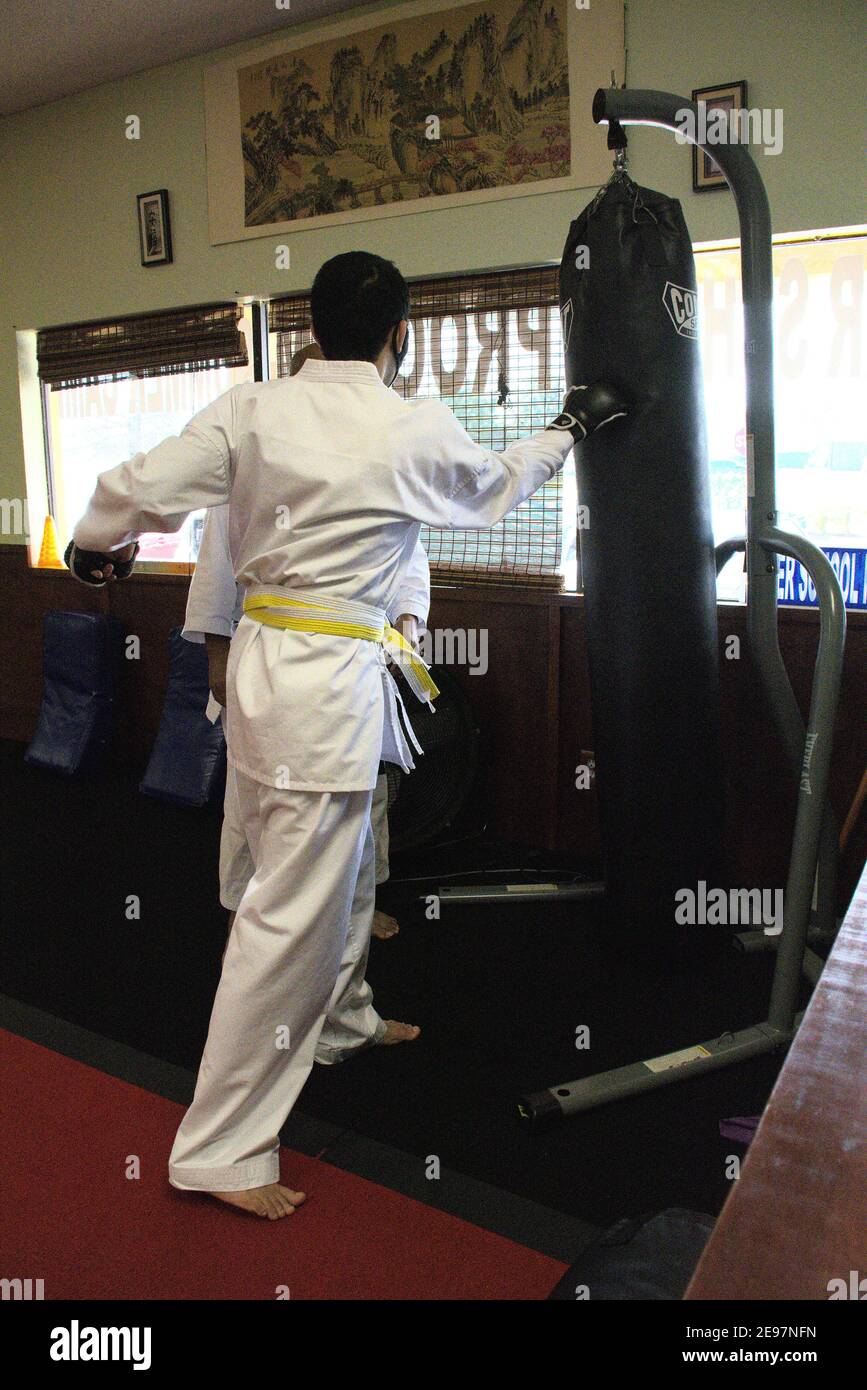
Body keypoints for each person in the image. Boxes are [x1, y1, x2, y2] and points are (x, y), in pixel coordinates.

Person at [65, 250, 627, 1220]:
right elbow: (496, 487)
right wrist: (571, 425)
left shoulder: (254, 407)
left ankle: (341, 1021)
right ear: (398, 333)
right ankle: (219, 1149)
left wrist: (92, 545)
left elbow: (137, 485)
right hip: (320, 693)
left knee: (351, 859)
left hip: (275, 675)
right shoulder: (408, 422)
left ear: (311, 326)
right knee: (286, 916)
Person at [186, 342, 429, 1059]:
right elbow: (214, 586)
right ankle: (269, 1020)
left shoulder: (378, 453)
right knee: (262, 873)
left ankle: (342, 1019)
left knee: (348, 875)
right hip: (269, 696)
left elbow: (409, 558)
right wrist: (224, 681)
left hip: (349, 687)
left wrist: (407, 628)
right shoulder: (255, 456)